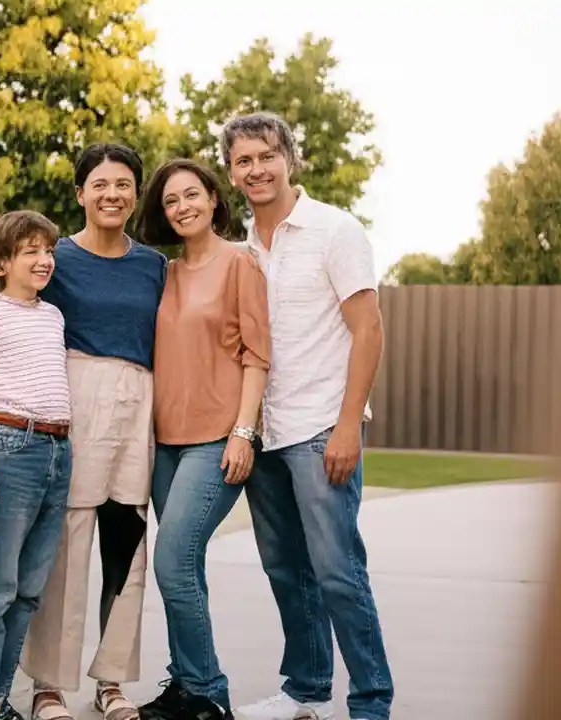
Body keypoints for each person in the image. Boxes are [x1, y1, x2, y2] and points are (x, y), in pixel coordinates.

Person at [0, 143, 167, 720]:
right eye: (100, 184)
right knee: (64, 554)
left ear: (135, 193)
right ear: (80, 193)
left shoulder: (152, 264)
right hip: (69, 407)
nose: (112, 194)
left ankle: (113, 681)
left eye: (123, 184)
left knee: (127, 545)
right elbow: (7, 305)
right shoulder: (57, 259)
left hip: (135, 408)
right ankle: (48, 685)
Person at [218, 112, 394, 720]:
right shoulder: (243, 250)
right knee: (287, 571)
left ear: (289, 158)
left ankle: (371, 703)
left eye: (266, 155)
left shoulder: (334, 230)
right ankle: (305, 692)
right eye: (243, 160)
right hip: (264, 431)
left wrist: (348, 425)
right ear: (232, 172)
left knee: (339, 572)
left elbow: (368, 330)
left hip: (321, 427)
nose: (256, 169)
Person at [131, 159, 271, 720]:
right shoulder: (162, 274)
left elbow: (258, 355)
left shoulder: (242, 263)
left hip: (218, 438)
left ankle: (209, 692)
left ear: (214, 199)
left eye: (192, 194)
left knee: (171, 560)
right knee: (184, 566)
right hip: (165, 442)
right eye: (170, 201)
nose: (182, 206)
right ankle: (187, 684)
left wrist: (244, 431)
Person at [0, 209, 74, 720]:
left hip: (57, 450)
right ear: (2, 262)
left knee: (29, 589)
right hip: (10, 449)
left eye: (47, 250)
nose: (44, 259)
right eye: (30, 251)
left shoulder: (53, 315)